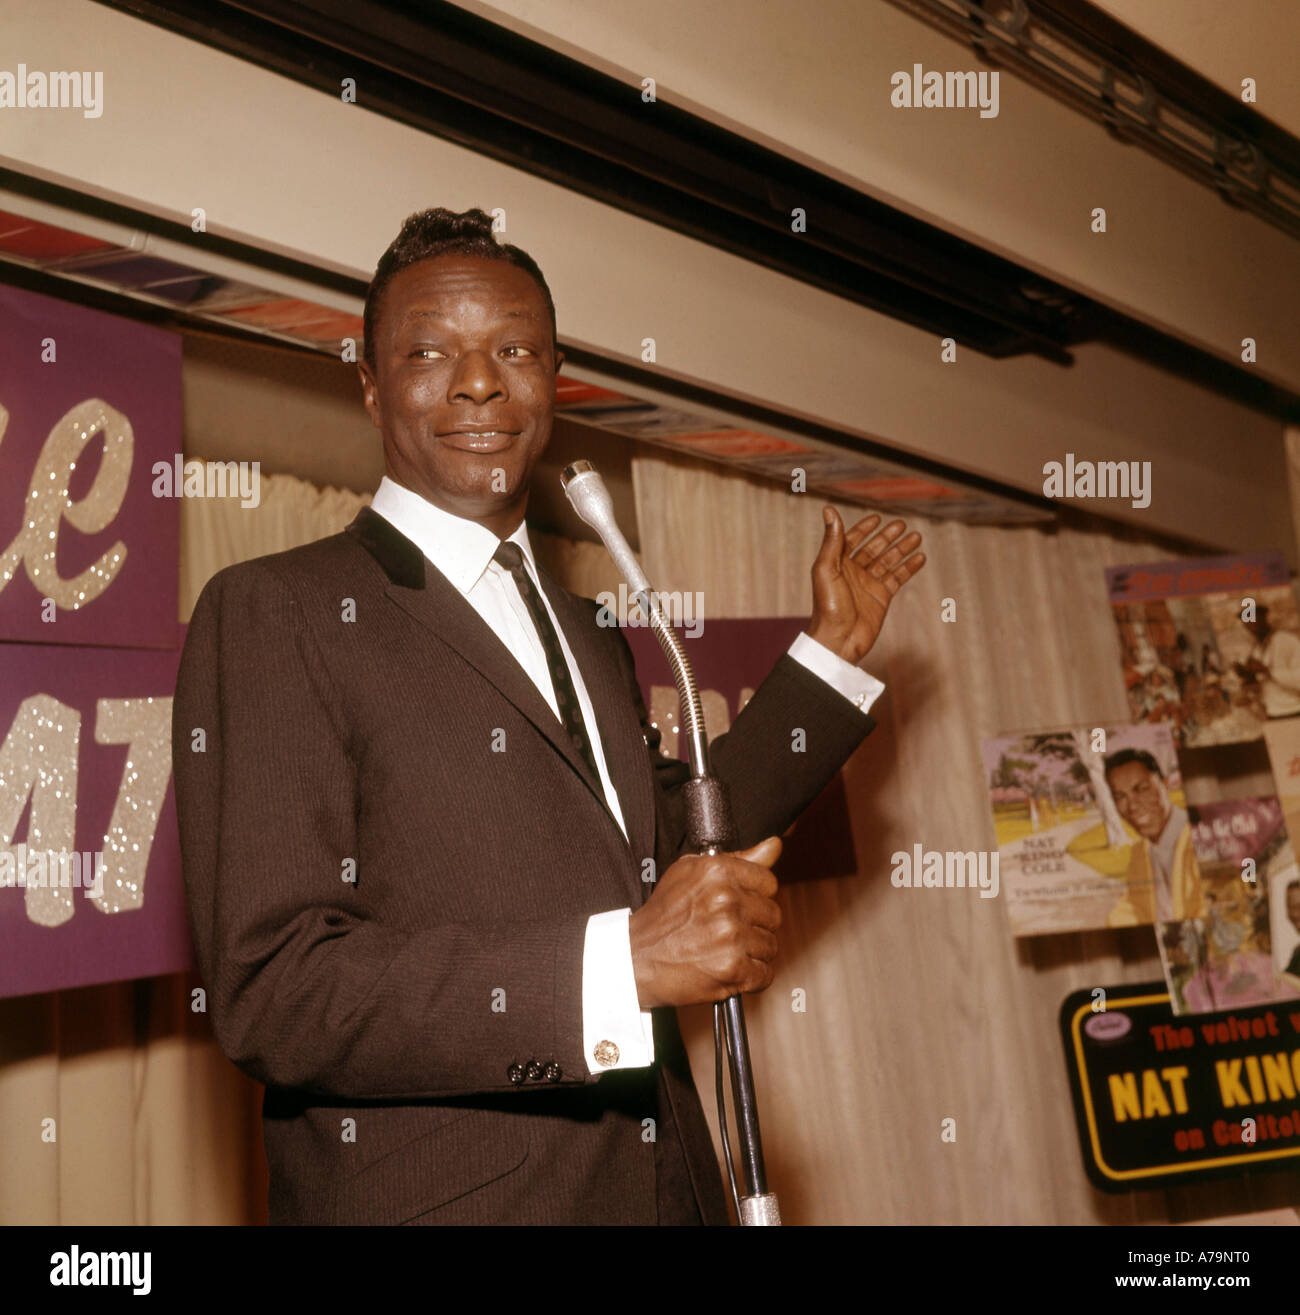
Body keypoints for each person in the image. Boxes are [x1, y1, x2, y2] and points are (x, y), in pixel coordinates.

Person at [171, 207, 926, 1226]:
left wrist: (829, 653)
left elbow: (676, 852)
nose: (479, 381)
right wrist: (619, 965)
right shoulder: (277, 610)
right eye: (430, 350)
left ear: (553, 383)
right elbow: (275, 987)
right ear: (368, 384)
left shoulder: (586, 625)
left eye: (516, 349)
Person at [1103, 748, 1203, 926]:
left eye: (1142, 789)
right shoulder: (1139, 854)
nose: (1132, 806)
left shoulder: (1200, 836)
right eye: (1120, 797)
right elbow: (1133, 908)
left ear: (1165, 784)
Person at [1237, 604, 1300, 718]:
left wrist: (1267, 671)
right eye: (1246, 623)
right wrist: (1248, 677)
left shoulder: (1286, 640)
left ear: (1263, 618)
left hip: (1294, 711)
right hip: (1272, 713)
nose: (1250, 626)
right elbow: (1263, 686)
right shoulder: (1256, 649)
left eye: (1253, 620)